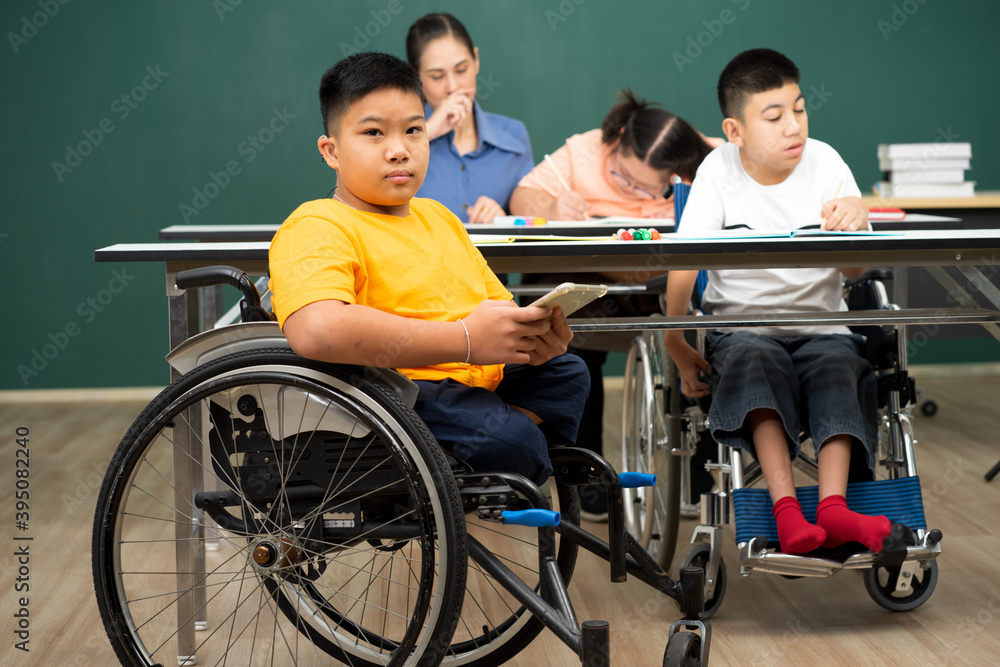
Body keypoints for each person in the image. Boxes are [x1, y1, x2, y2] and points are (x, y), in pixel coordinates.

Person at [268, 52, 589, 486]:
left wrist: (531, 337)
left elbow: (498, 309)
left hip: (472, 381)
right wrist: (466, 340)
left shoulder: (438, 216)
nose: (399, 149)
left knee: (567, 371)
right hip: (400, 389)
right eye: (374, 133)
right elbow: (316, 330)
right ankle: (502, 454)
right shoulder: (317, 222)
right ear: (332, 151)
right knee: (513, 442)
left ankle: (489, 456)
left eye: (414, 130)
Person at [663, 48, 891, 555]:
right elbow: (684, 263)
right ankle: (787, 511)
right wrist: (675, 342)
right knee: (755, 361)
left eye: (800, 109)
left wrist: (857, 216)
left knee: (839, 365)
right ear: (735, 131)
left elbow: (855, 272)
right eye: (775, 116)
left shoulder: (826, 160)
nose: (794, 126)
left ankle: (834, 509)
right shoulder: (717, 171)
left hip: (821, 326)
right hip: (744, 330)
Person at [510, 90, 719, 519]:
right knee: (568, 327)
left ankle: (699, 471)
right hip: (597, 275)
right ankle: (584, 468)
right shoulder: (585, 150)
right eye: (625, 179)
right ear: (619, 139)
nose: (637, 191)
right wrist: (551, 205)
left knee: (707, 329)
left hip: (666, 277)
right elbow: (522, 198)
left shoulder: (706, 157)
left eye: (651, 187)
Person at [406, 13, 534, 223]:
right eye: (437, 76)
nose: (453, 87)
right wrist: (426, 131)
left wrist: (505, 220)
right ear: (416, 78)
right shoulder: (398, 143)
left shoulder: (514, 137)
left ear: (476, 60)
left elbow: (530, 222)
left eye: (461, 69)